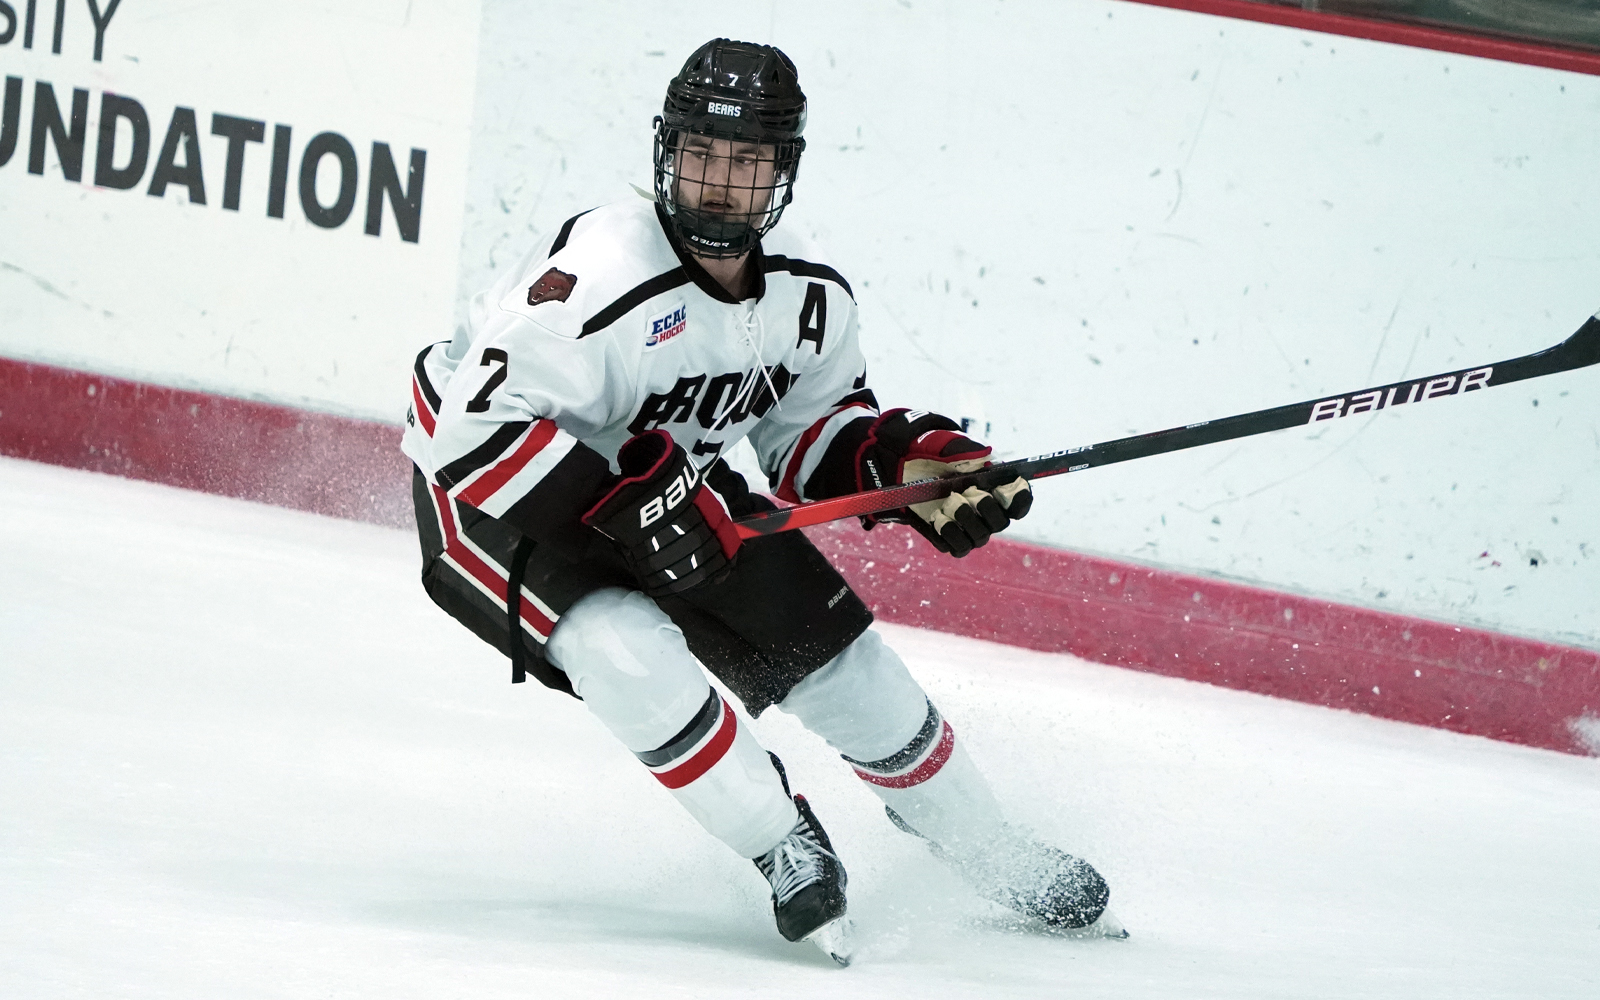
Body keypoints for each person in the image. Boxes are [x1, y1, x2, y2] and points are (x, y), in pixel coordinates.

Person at [400, 38, 1118, 964]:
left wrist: (907, 472)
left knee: (848, 669)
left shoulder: (808, 291)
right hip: (500, 504)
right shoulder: (596, 281)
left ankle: (986, 847)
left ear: (785, 171)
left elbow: (806, 439)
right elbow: (462, 434)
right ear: (667, 151)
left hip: (668, 485)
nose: (719, 184)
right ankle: (780, 840)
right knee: (622, 650)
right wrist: (636, 514)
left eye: (747, 162)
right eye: (702, 154)